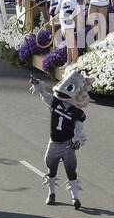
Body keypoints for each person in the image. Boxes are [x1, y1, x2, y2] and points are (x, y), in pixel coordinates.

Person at [32, 72, 89, 208]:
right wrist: (39, 86)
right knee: (51, 169)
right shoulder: (55, 102)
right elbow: (45, 95)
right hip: (54, 143)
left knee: (71, 171)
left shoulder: (76, 112)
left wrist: (77, 139)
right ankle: (51, 194)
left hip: (67, 145)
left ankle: (75, 197)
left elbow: (79, 127)